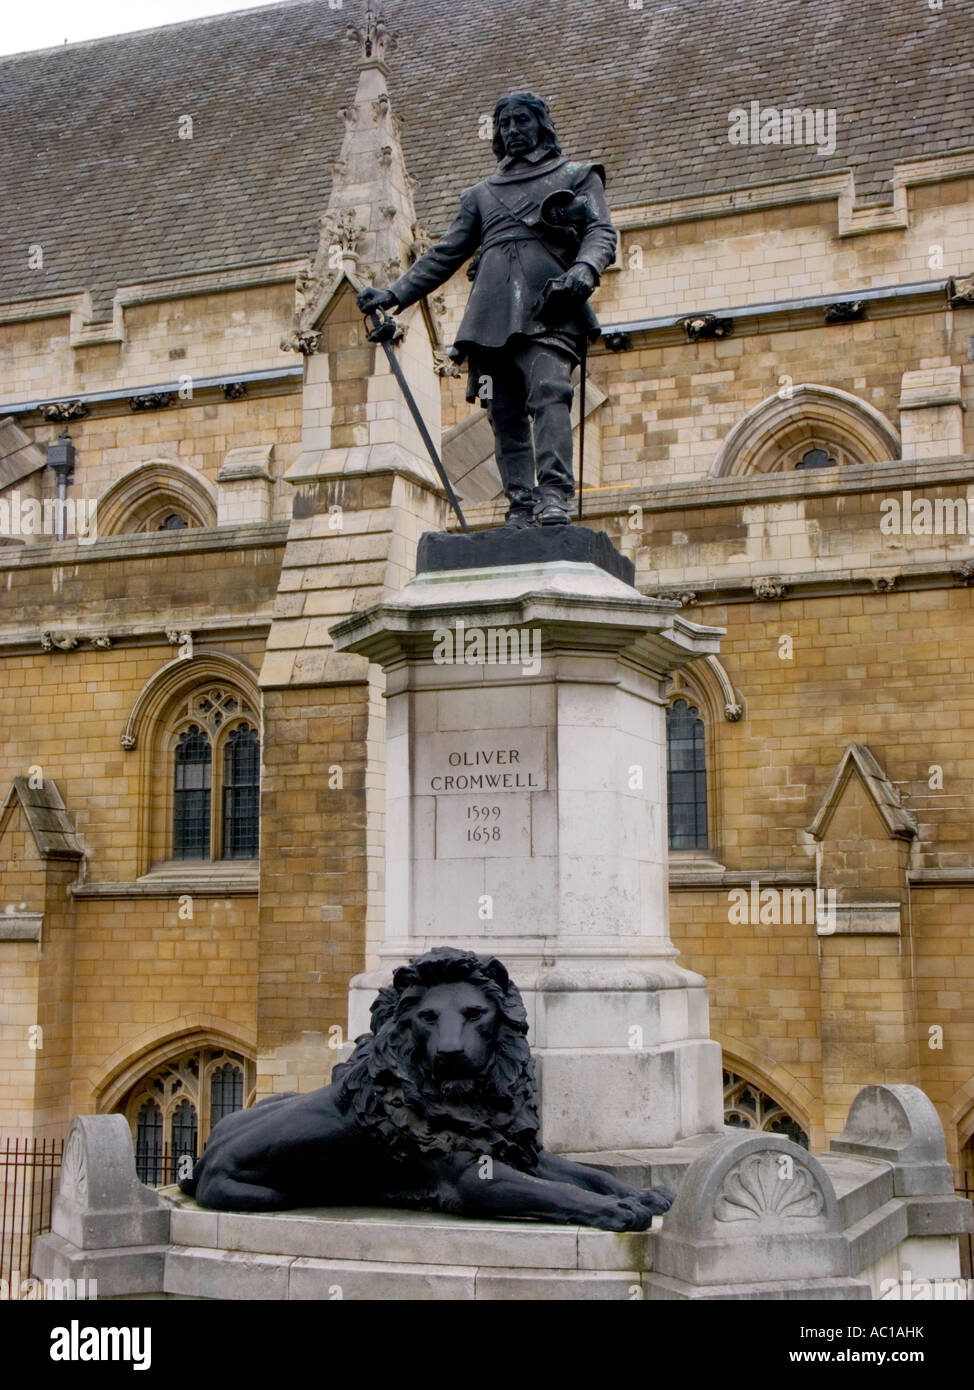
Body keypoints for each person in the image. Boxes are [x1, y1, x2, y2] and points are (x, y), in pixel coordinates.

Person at [357, 91, 617, 527]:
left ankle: (554, 494)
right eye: (504, 124)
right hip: (491, 315)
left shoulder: (576, 175)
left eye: (521, 121)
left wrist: (584, 269)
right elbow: (445, 254)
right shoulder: (481, 195)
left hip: (548, 306)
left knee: (550, 391)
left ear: (541, 126)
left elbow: (601, 232)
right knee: (503, 411)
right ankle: (520, 504)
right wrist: (395, 295)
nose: (512, 130)